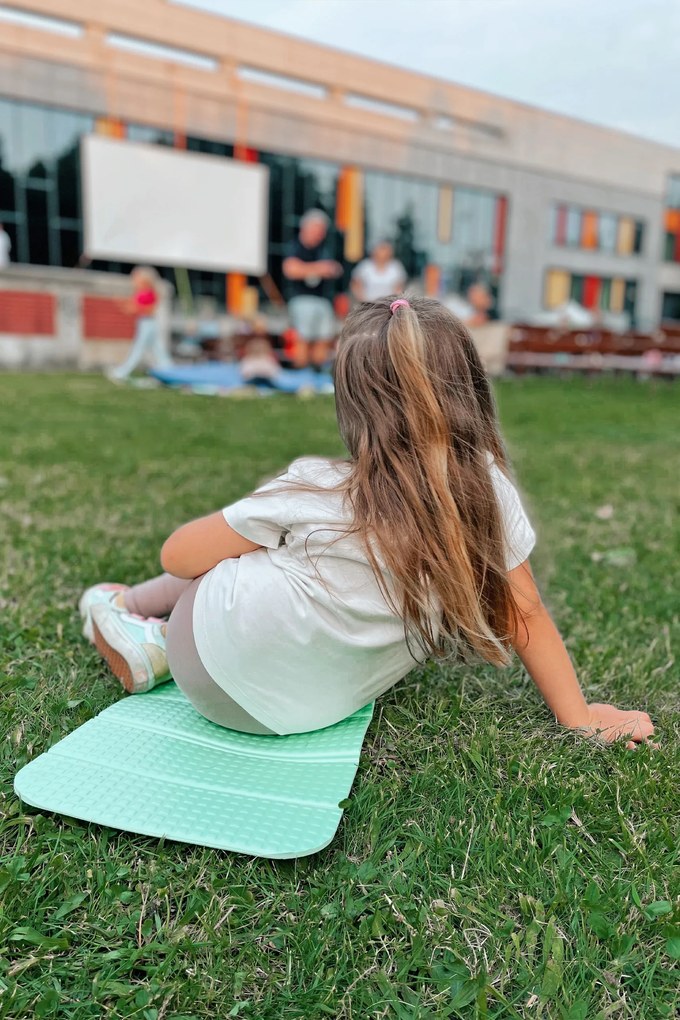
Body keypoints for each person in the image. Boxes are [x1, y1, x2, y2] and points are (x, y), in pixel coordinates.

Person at [80, 296, 656, 748]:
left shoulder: (315, 487)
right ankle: (136, 616)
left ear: (352, 406)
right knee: (266, 554)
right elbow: (524, 612)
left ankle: (131, 614)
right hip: (304, 712)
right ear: (469, 390)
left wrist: (260, 536)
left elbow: (178, 555)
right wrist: (579, 718)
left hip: (202, 663)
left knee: (243, 552)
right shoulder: (487, 496)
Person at [282, 209, 342, 370]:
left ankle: (317, 372)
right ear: (306, 228)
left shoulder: (324, 249)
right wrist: (319, 269)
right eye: (317, 229)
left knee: (324, 337)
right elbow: (290, 269)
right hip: (302, 299)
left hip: (322, 300)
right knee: (303, 338)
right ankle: (301, 372)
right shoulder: (295, 246)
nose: (320, 234)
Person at [107, 266, 172, 381]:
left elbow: (148, 309)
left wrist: (134, 307)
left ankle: (122, 372)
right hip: (144, 322)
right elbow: (131, 307)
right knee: (157, 349)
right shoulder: (141, 293)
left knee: (138, 348)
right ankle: (169, 369)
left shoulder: (148, 293)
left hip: (148, 323)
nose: (133, 281)